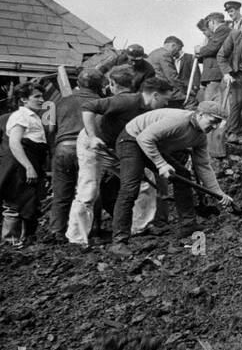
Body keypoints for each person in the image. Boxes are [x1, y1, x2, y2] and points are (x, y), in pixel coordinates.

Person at [108, 102, 233, 253]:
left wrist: (218, 193)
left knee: (182, 174)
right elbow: (144, 138)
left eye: (218, 123)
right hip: (131, 140)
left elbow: (203, 166)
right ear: (200, 115)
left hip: (152, 144)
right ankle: (119, 241)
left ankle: (188, 224)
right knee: (130, 188)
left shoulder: (200, 138)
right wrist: (161, 164)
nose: (214, 127)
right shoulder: (179, 121)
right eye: (213, 121)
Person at [71, 74, 172, 247]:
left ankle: (141, 227)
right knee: (89, 188)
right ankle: (78, 237)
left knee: (144, 179)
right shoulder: (127, 101)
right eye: (166, 99)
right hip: (93, 143)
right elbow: (88, 107)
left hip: (118, 147)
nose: (167, 104)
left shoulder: (151, 111)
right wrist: (93, 136)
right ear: (155, 95)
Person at [47, 69, 104, 242]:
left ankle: (56, 230)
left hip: (63, 149)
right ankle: (92, 229)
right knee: (91, 191)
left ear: (78, 84)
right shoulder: (102, 102)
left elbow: (50, 129)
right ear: (100, 85)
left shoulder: (61, 101)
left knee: (61, 193)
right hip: (89, 149)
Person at [0, 83, 49, 248]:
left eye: (42, 96)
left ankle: (26, 239)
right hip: (18, 166)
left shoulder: (33, 116)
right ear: (23, 99)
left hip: (30, 162)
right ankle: (10, 242)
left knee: (29, 201)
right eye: (37, 97)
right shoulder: (20, 116)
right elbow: (14, 143)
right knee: (15, 202)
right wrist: (28, 166)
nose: (42, 100)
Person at [146, 37, 186, 102]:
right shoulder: (165, 54)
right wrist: (184, 90)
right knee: (190, 99)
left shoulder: (154, 53)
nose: (178, 52)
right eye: (178, 49)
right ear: (173, 45)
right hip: (162, 89)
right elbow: (172, 76)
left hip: (152, 87)